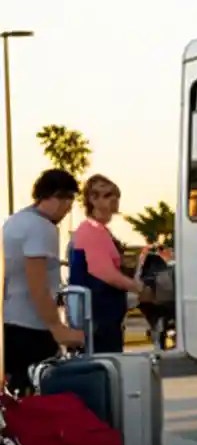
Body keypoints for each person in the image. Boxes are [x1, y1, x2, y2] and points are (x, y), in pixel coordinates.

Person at [2, 169, 86, 395]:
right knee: (40, 398)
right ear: (54, 196)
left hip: (10, 323)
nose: (68, 207)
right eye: (66, 200)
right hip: (32, 329)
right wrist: (58, 328)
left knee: (16, 398)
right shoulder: (41, 227)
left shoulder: (15, 221)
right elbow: (37, 284)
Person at [68, 174, 146, 354]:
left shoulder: (99, 231)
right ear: (92, 199)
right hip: (98, 318)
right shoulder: (91, 232)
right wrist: (138, 287)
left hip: (103, 317)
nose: (114, 200)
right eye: (108, 195)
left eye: (115, 195)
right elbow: (105, 273)